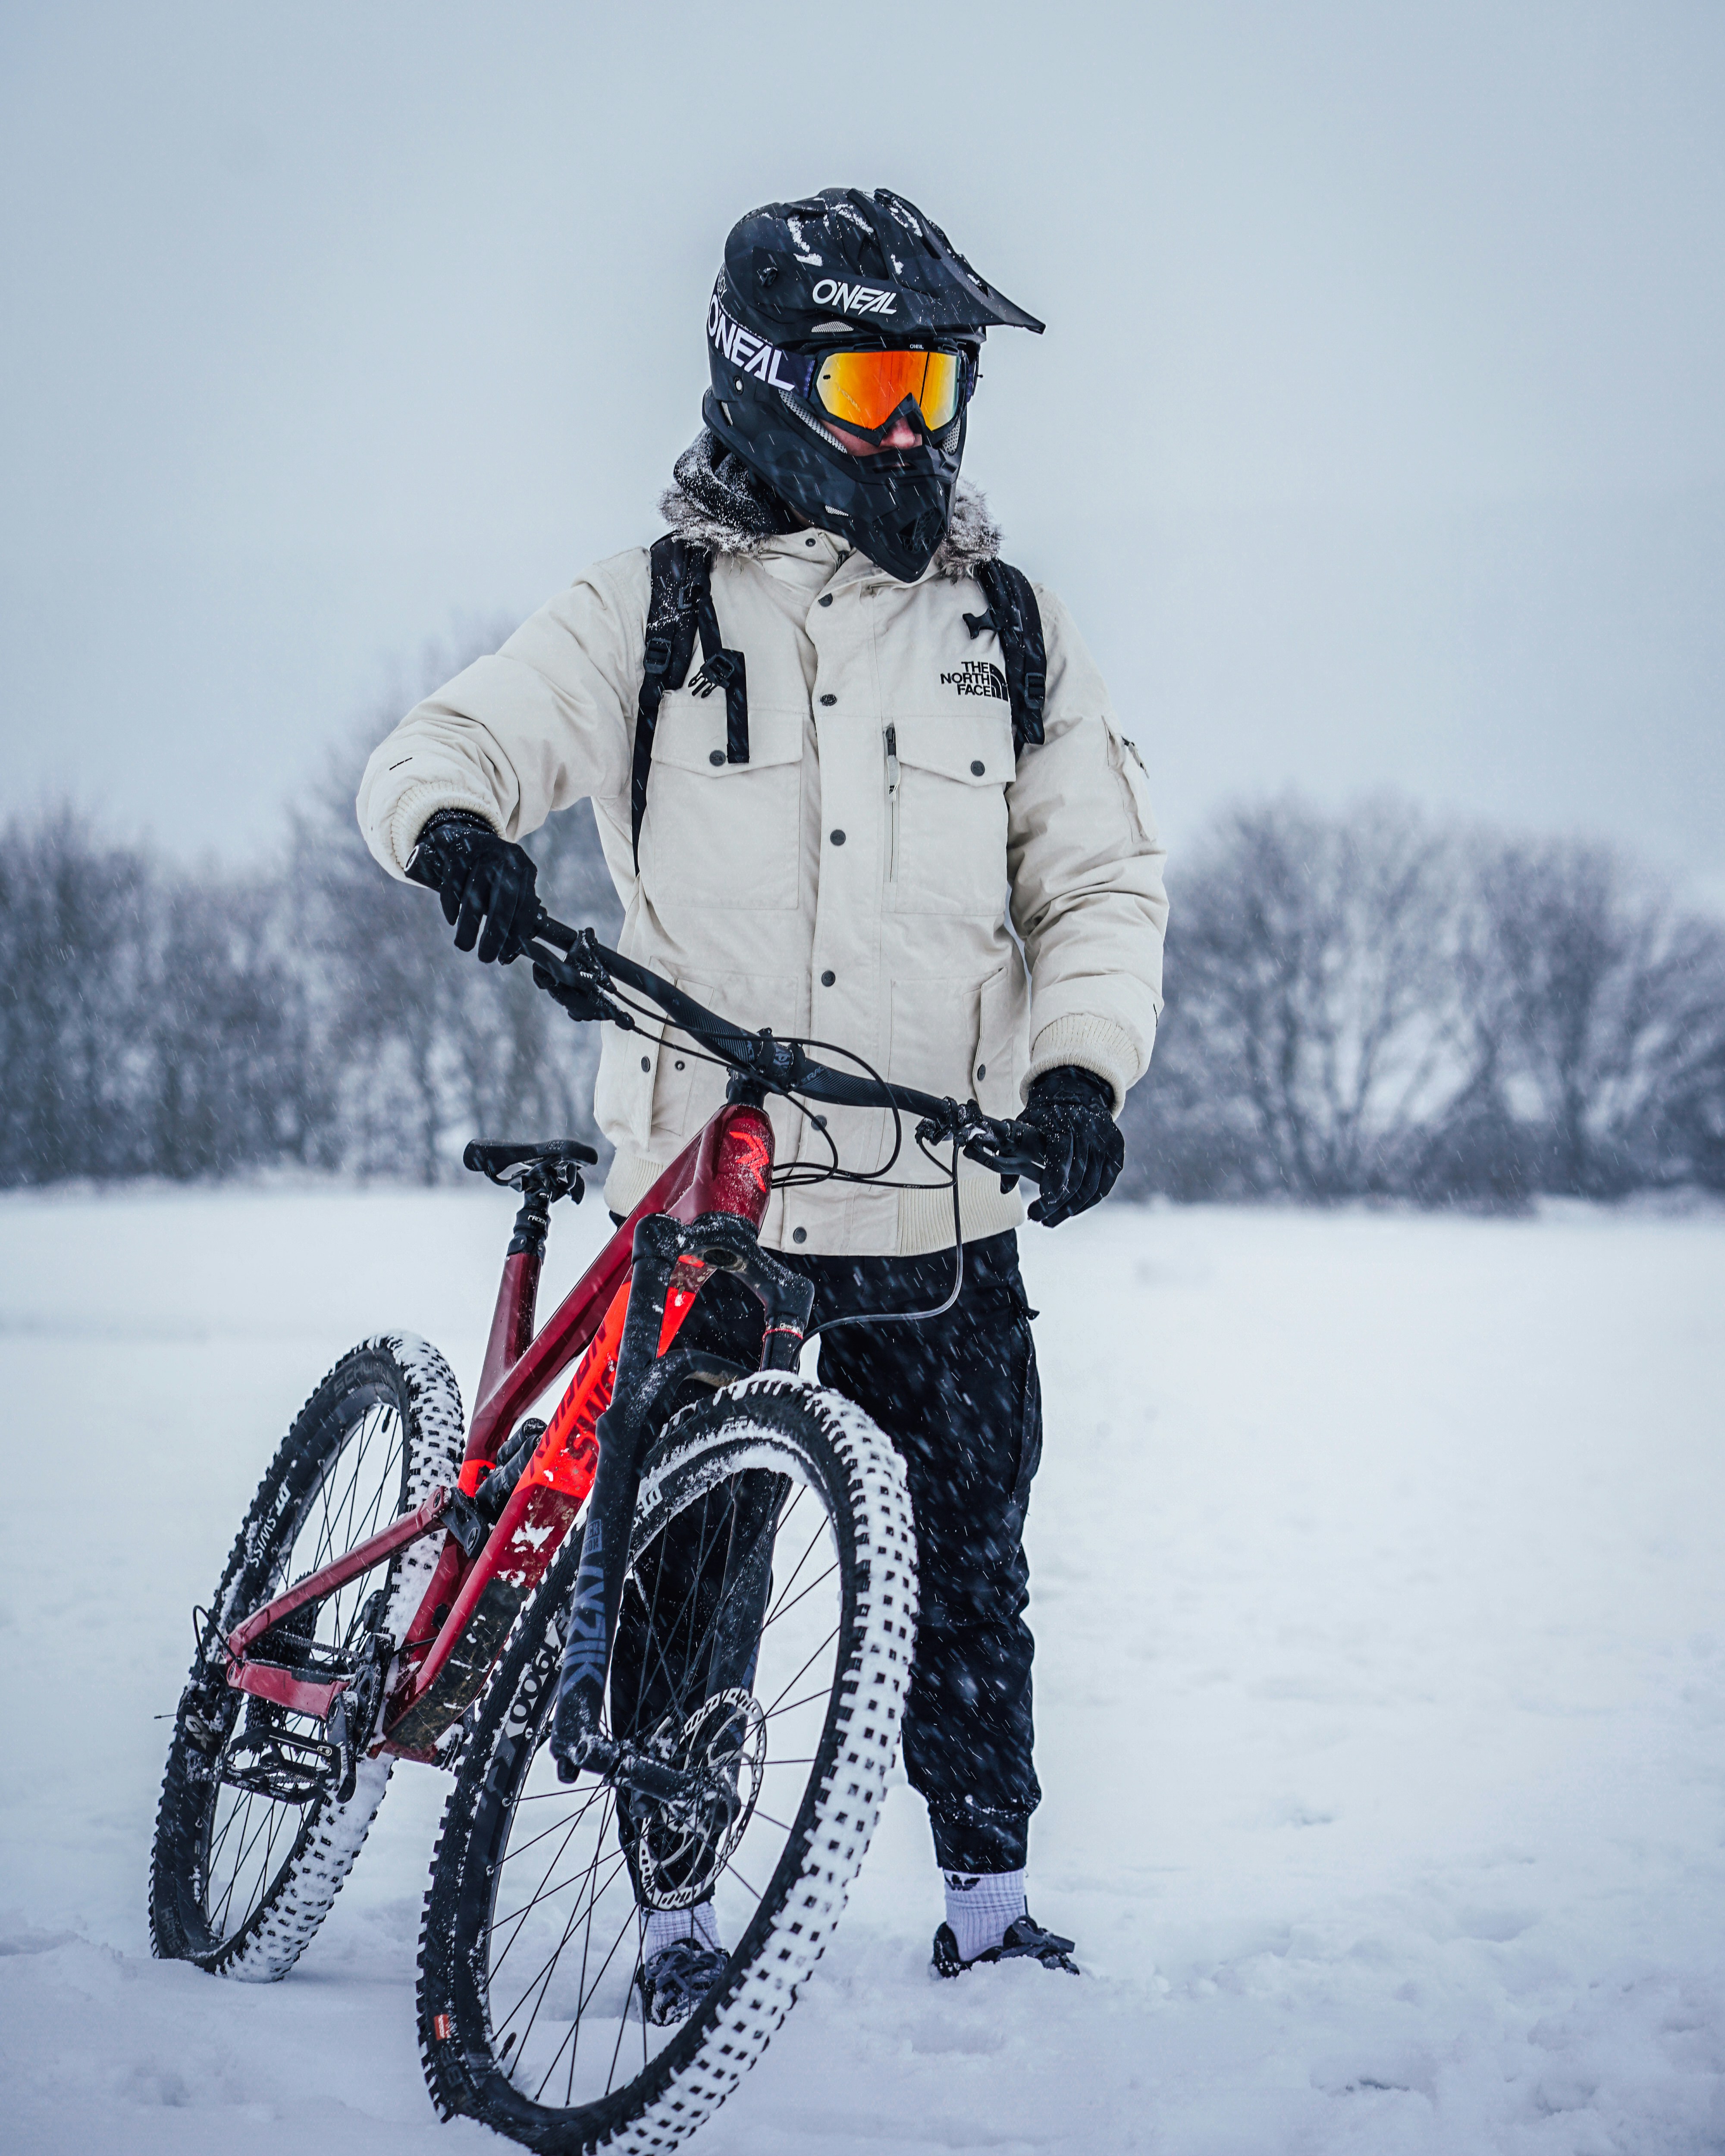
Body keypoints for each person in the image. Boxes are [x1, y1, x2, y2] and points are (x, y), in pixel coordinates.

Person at [358, 186, 1167, 2011]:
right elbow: (448, 742)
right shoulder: (643, 610)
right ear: (762, 381)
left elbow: (1099, 880)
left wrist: (1078, 1071)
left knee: (967, 1568)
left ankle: (988, 1904)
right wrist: (462, 831)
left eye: (937, 385)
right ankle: (666, 1914)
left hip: (938, 1192)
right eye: (875, 379)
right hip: (705, 1192)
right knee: (688, 1570)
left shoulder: (1008, 628)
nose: (915, 427)